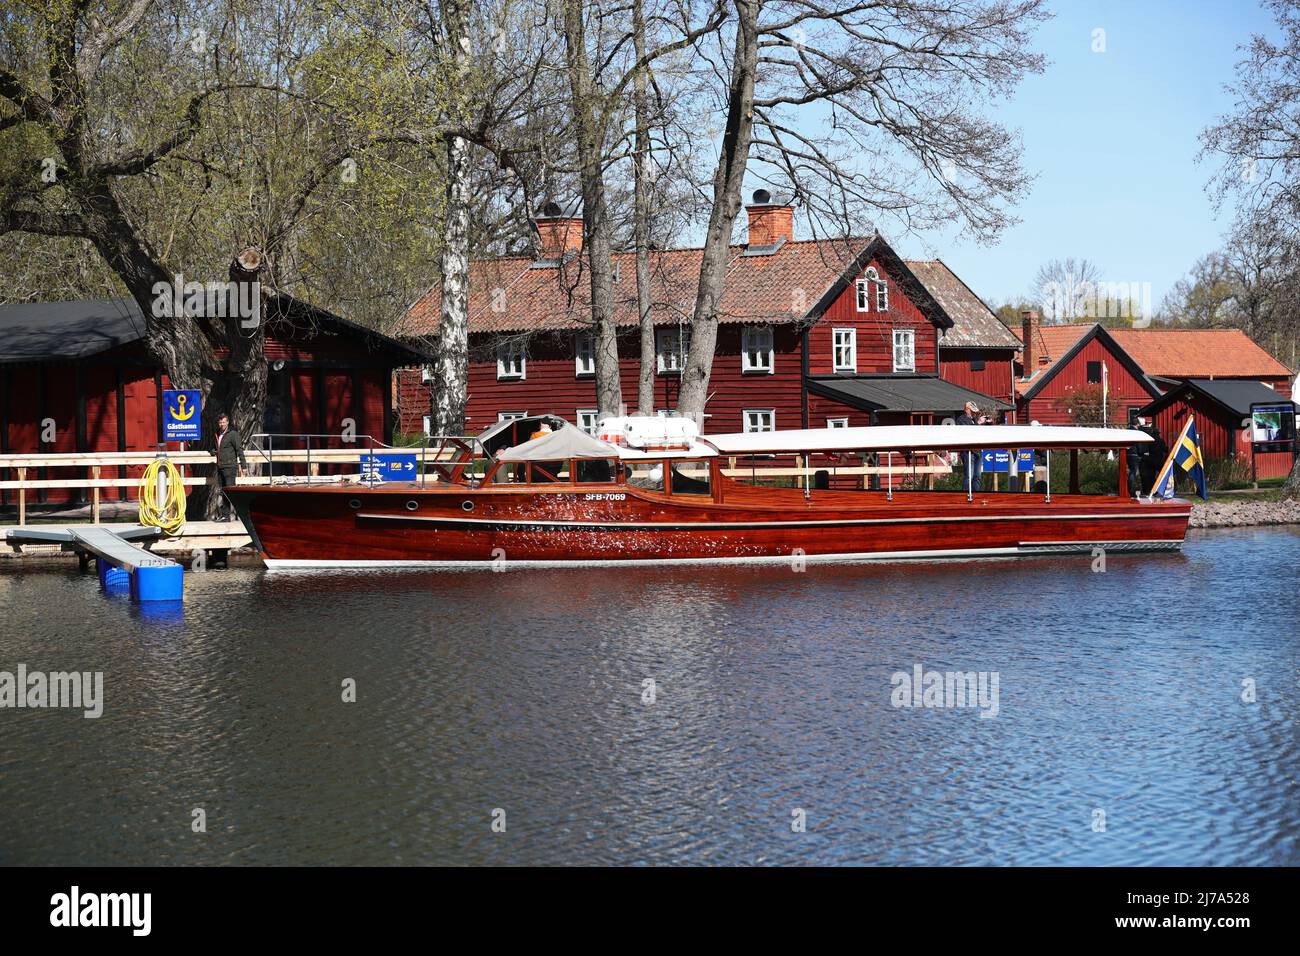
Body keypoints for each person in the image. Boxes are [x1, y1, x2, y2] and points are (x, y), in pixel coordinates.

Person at [214, 411, 248, 521]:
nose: (222, 424)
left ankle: (244, 514)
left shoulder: (233, 434)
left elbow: (239, 450)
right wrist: (213, 451)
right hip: (220, 466)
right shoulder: (217, 434)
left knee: (231, 492)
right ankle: (225, 515)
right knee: (224, 491)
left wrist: (243, 466)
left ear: (227, 422)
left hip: (230, 467)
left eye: (224, 422)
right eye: (220, 422)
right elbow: (219, 448)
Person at [954, 401, 986, 492]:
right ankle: (966, 495)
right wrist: (978, 423)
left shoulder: (974, 420)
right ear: (966, 410)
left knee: (977, 476)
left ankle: (976, 494)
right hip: (968, 451)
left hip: (978, 451)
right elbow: (968, 433)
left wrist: (986, 423)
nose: (974, 413)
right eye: (972, 411)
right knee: (969, 475)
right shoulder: (961, 420)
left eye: (975, 411)